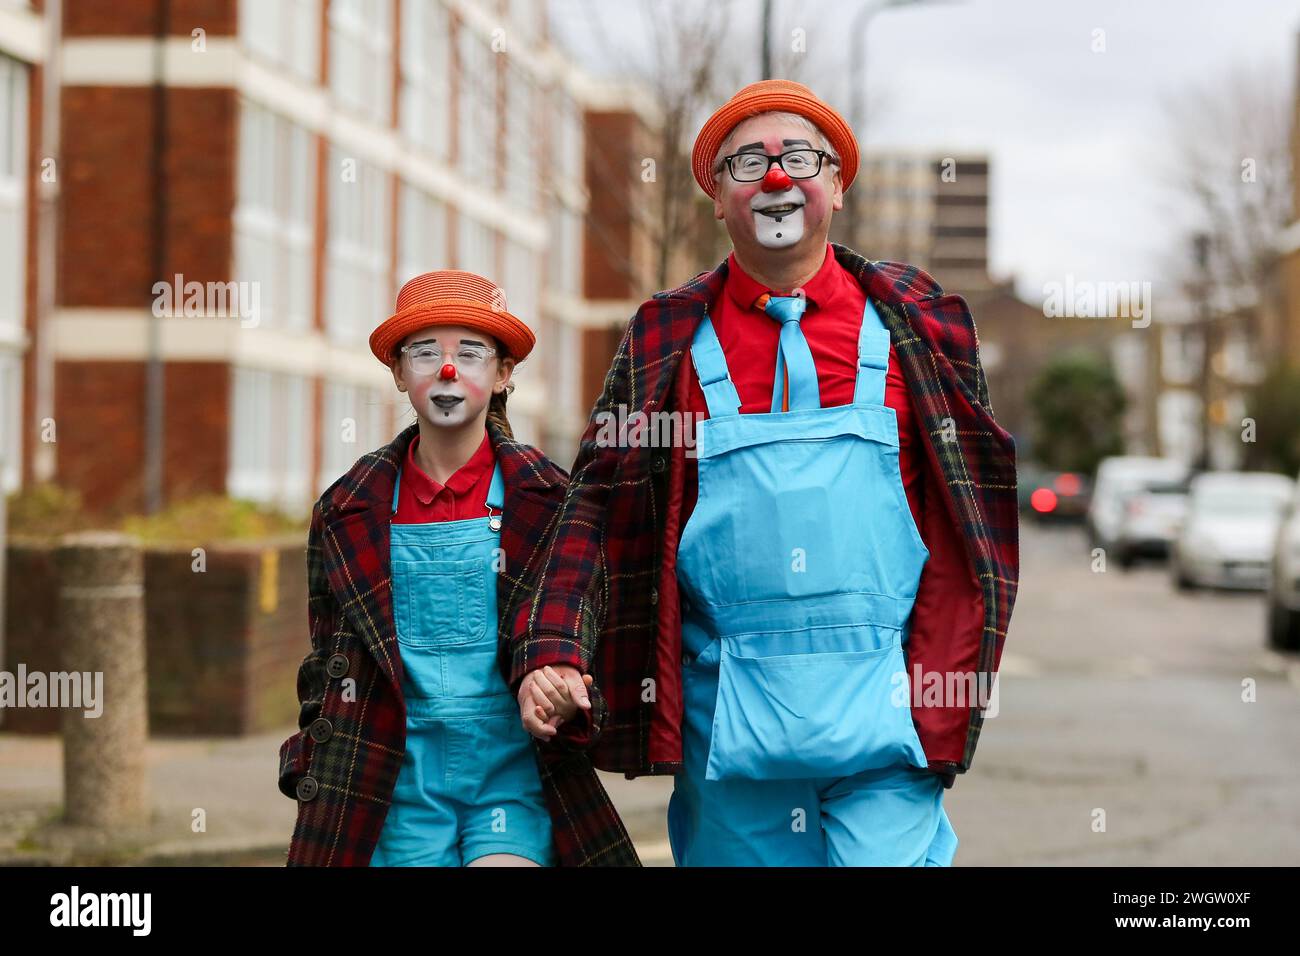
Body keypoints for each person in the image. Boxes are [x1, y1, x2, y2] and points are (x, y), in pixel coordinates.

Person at [514, 80, 1019, 866]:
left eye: (800, 158)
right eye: (747, 160)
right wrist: (552, 646)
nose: (776, 177)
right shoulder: (667, 337)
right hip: (726, 722)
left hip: (887, 715)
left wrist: (942, 688)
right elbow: (597, 506)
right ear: (718, 195)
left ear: (837, 185)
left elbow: (971, 521)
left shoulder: (918, 326)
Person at [277, 270, 639, 867]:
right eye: (425, 353)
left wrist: (565, 689)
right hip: (399, 787)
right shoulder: (347, 509)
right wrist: (320, 749)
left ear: (502, 375)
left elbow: (576, 625)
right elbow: (324, 658)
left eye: (470, 352)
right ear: (398, 373)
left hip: (511, 777)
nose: (448, 370)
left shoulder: (550, 501)